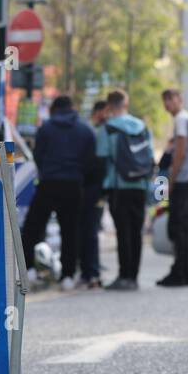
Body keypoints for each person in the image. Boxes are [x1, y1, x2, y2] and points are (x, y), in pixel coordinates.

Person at [21, 95, 94, 290]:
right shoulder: (85, 129)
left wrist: (48, 171)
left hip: (49, 183)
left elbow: (38, 156)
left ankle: (28, 270)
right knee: (70, 231)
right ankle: (68, 276)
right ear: (72, 107)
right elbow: (90, 160)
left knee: (32, 228)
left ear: (54, 108)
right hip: (73, 185)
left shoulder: (46, 128)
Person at [94, 88, 152, 290]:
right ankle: (134, 277)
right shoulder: (142, 126)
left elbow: (101, 160)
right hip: (140, 186)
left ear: (109, 106)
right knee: (136, 232)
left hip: (118, 186)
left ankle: (124, 275)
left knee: (123, 232)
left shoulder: (107, 129)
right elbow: (150, 159)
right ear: (126, 104)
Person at [158, 88, 188, 287]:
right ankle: (182, 272)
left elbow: (181, 151)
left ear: (179, 100)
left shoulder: (181, 120)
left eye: (170, 99)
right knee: (181, 228)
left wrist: (171, 180)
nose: (167, 104)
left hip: (184, 180)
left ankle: (181, 273)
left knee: (179, 229)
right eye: (165, 100)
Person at [78, 100, 108, 289]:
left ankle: (90, 273)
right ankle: (91, 273)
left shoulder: (94, 132)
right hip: (96, 189)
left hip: (90, 188)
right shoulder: (97, 133)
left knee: (88, 231)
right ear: (99, 112)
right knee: (90, 232)